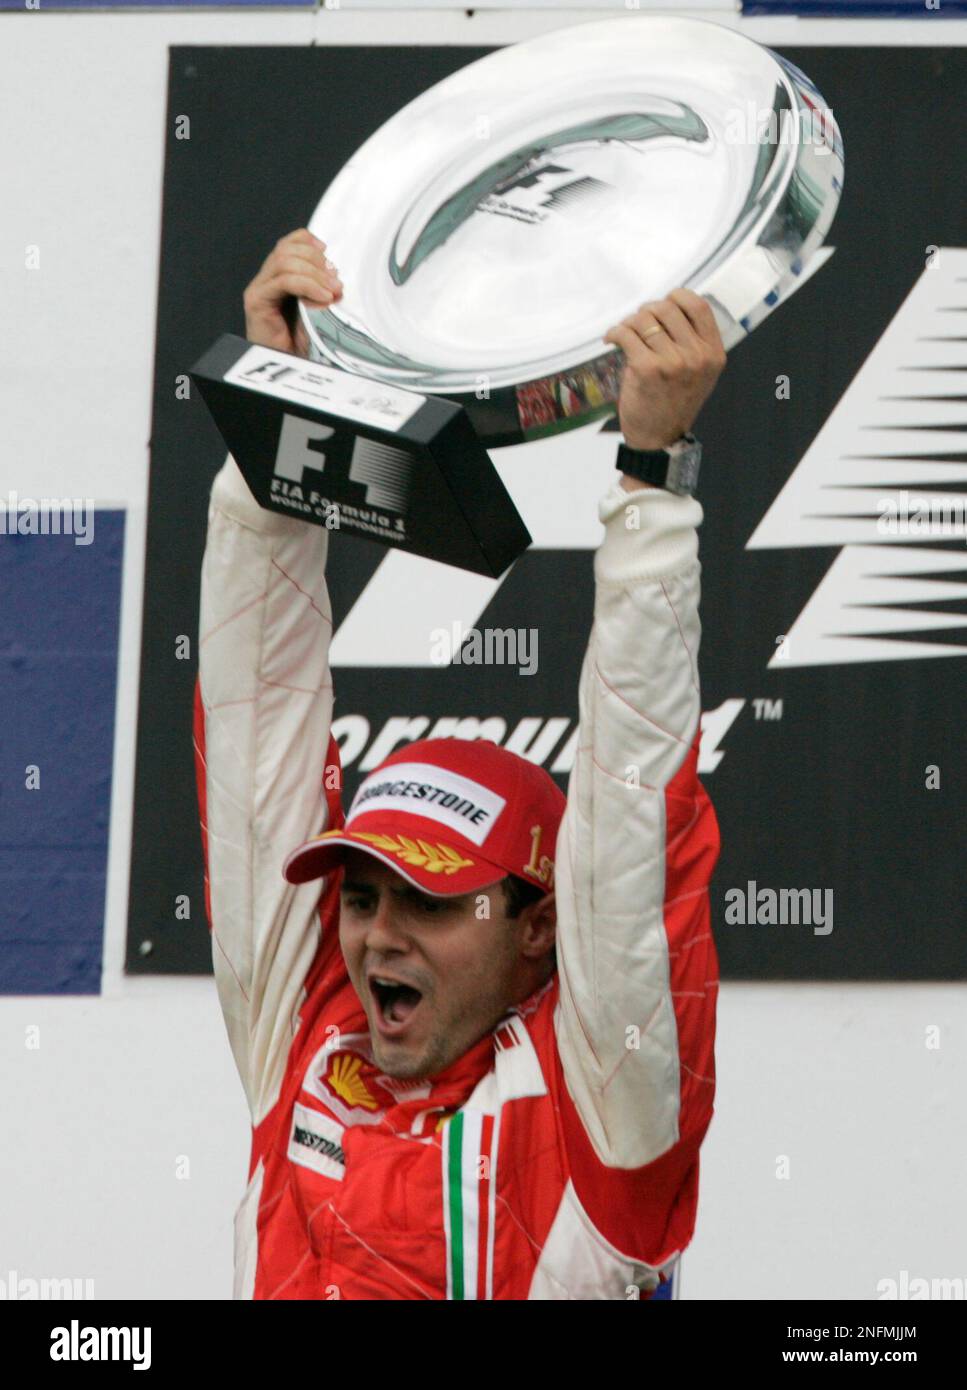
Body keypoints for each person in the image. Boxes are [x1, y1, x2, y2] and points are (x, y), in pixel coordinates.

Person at [193, 227, 726, 1300]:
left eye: (431, 903)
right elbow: (261, 732)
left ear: (537, 926)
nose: (376, 934)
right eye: (360, 894)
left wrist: (649, 481)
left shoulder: (603, 1111)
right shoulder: (304, 1025)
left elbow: (630, 841)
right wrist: (281, 425)